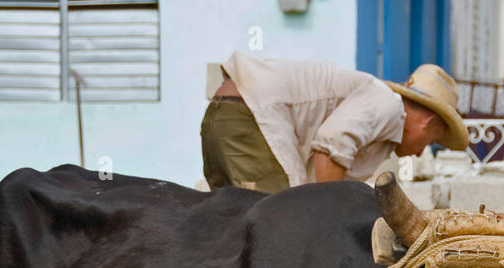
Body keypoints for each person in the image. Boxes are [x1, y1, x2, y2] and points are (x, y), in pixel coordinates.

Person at [200, 52, 468, 192]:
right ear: (428, 123)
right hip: (250, 118)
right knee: (279, 228)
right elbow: (330, 147)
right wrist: (329, 220)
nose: (422, 151)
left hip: (223, 116)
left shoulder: (379, 108)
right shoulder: (388, 104)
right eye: (431, 142)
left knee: (232, 226)